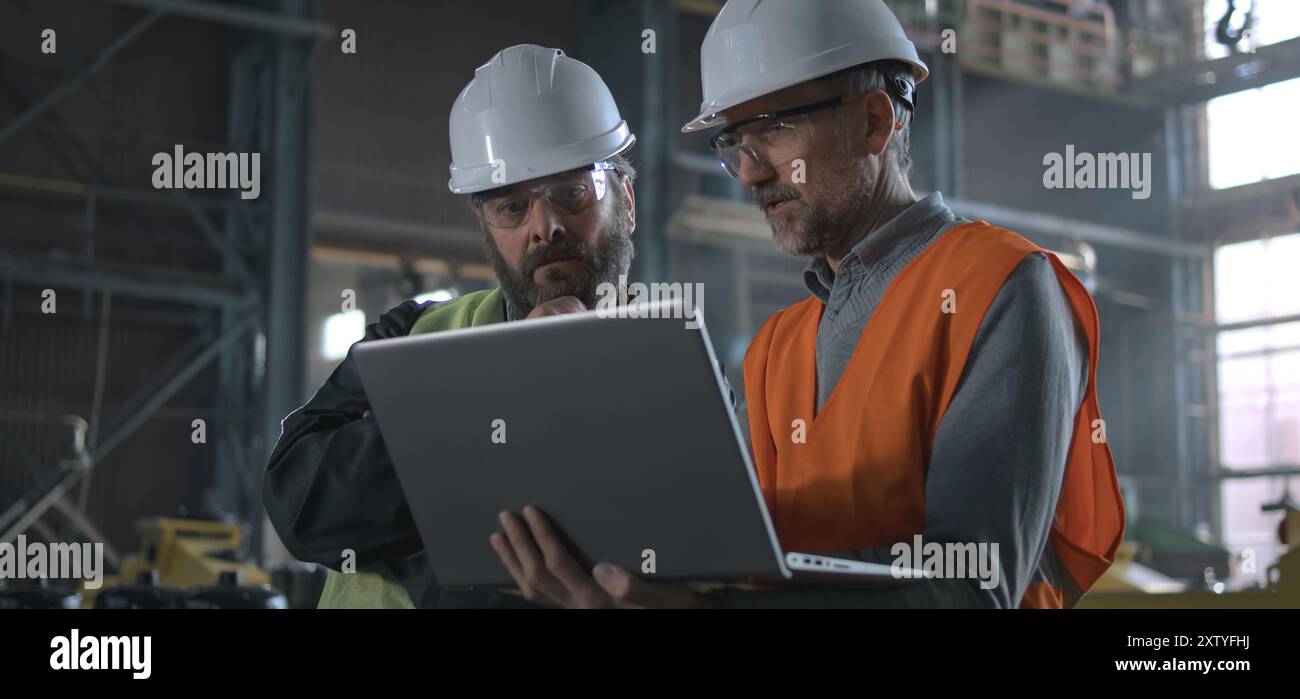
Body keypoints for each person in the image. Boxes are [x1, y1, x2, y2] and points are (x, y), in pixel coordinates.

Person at [492, 0, 1124, 608]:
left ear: (875, 120)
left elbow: (968, 587)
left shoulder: (1003, 286)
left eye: (774, 128)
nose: (748, 173)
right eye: (734, 140)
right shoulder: (776, 349)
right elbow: (722, 551)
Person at [263, 44, 639, 608]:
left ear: (626, 201)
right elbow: (302, 507)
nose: (546, 227)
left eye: (571, 192)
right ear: (487, 229)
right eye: (512, 208)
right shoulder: (412, 335)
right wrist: (507, 381)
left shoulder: (677, 378)